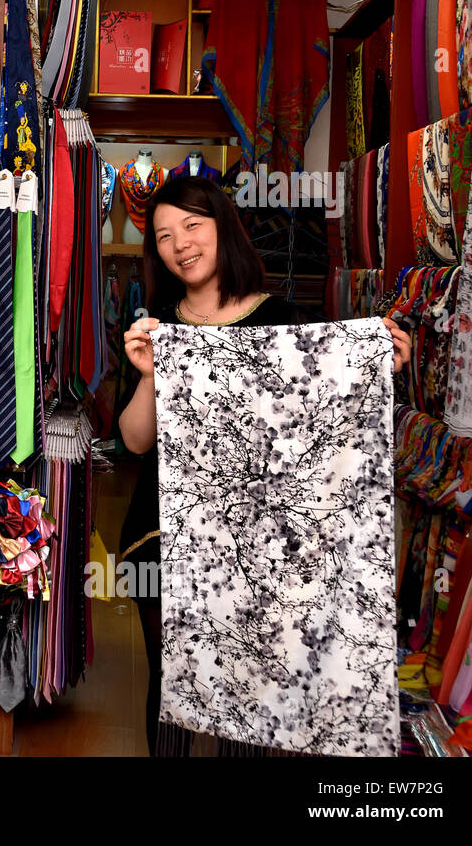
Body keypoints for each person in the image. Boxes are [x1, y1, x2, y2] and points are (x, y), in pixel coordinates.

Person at [116, 176, 411, 756]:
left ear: (224, 228)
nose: (181, 245)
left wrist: (378, 369)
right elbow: (133, 441)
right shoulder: (157, 330)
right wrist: (152, 374)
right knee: (172, 682)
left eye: (193, 227)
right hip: (165, 535)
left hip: (259, 547)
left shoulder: (284, 321)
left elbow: (324, 413)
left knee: (252, 688)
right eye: (164, 236)